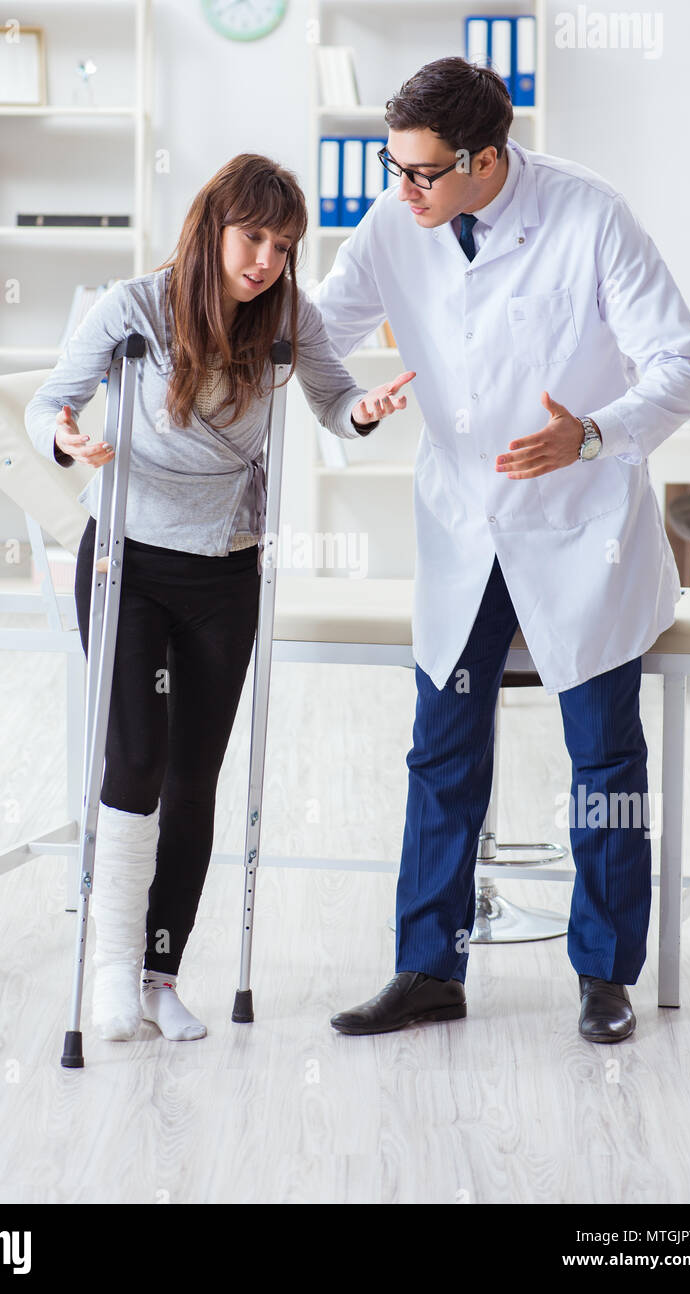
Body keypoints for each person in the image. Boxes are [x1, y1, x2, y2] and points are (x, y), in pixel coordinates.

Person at [310, 57, 690, 1044]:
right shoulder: (395, 221)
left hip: (579, 530)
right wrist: (346, 404)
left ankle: (605, 974)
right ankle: (426, 969)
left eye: (421, 172)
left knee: (604, 761)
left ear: (484, 161)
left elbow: (683, 366)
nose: (402, 189)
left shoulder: (590, 215)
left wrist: (593, 434)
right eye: (393, 167)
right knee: (441, 752)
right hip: (463, 528)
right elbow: (314, 334)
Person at [24, 152, 412, 1043]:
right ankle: (112, 969)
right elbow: (50, 402)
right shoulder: (132, 308)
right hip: (125, 558)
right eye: (253, 238)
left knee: (194, 776)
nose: (266, 260)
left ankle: (161, 975)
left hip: (226, 569)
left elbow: (333, 399)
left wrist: (364, 412)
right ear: (212, 228)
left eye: (283, 245)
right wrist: (68, 437)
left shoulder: (288, 315)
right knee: (135, 762)